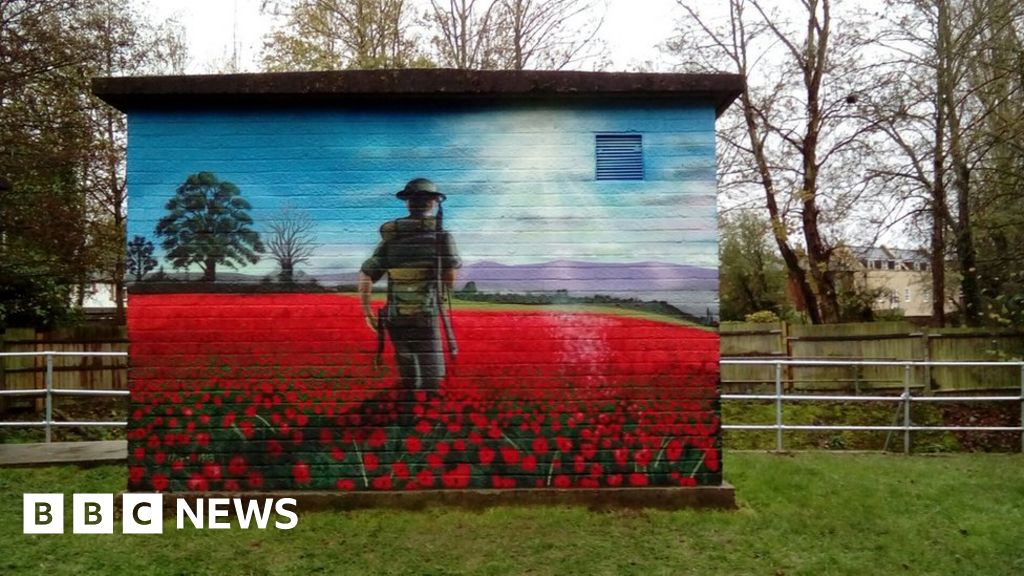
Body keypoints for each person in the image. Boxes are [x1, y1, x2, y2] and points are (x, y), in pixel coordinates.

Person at [358, 178, 461, 409]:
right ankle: (425, 417)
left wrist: (367, 312)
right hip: (426, 316)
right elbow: (450, 282)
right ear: (433, 203)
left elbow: (366, 274)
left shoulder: (391, 238)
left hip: (395, 317)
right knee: (433, 378)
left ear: (408, 204)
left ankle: (407, 410)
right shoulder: (443, 237)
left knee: (408, 371)